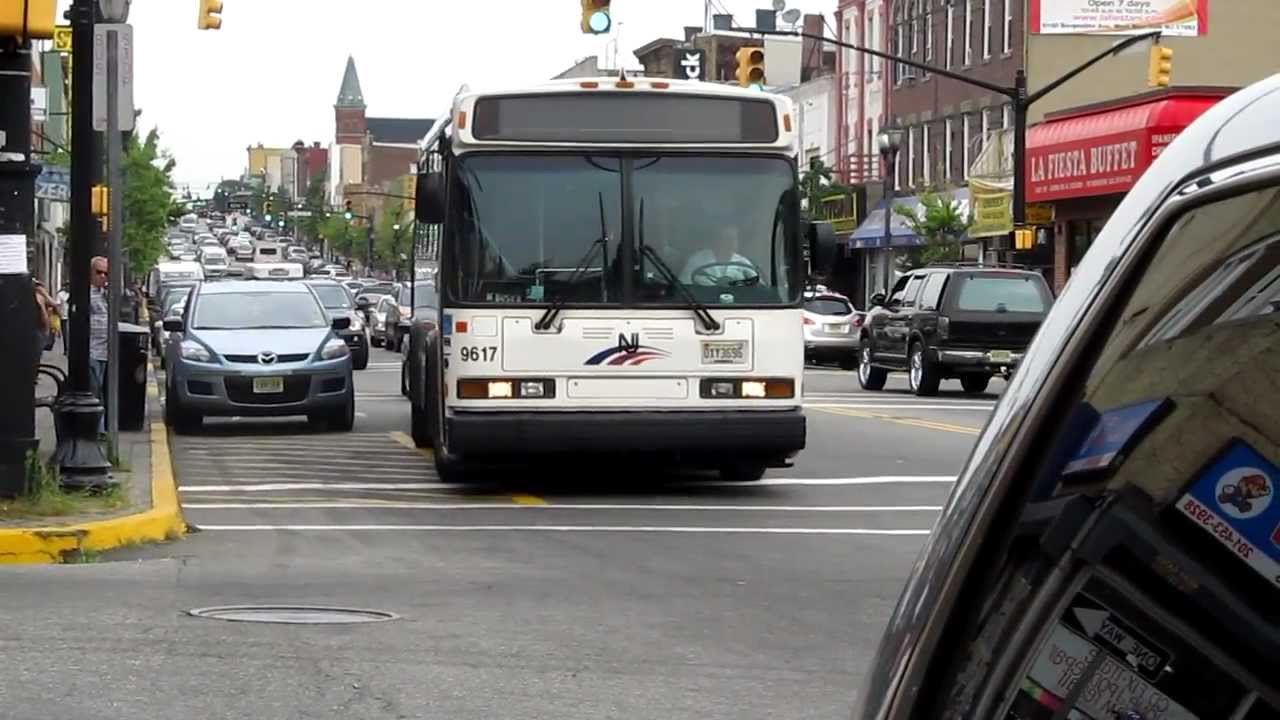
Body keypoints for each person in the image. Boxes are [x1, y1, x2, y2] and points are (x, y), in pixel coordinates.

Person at [679, 226, 758, 286]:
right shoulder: (697, 260)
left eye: (733, 239)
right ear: (717, 240)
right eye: (727, 238)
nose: (731, 242)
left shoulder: (743, 262)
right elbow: (684, 284)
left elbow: (758, 286)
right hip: (703, 303)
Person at [89, 256, 110, 435]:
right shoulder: (87, 294)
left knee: (104, 391)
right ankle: (98, 429)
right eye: (99, 272)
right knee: (94, 391)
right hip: (92, 350)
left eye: (106, 273)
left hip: (106, 351)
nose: (103, 276)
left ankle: (103, 427)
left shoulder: (107, 294)